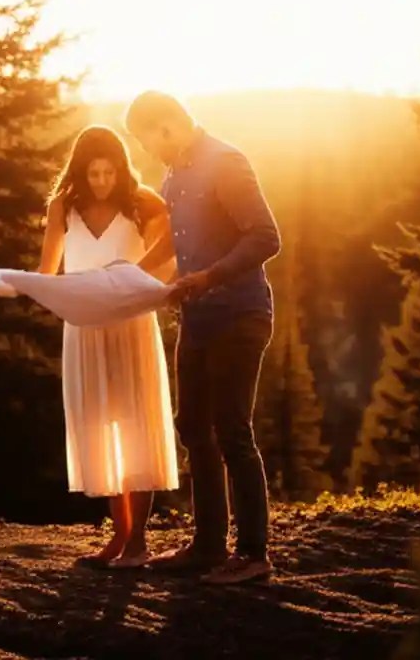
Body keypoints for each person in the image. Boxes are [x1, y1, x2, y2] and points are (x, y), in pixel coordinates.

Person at [127, 90, 281, 585]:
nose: (150, 152)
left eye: (148, 140)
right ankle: (209, 546)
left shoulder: (226, 163)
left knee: (233, 430)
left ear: (167, 126)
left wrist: (209, 277)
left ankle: (254, 555)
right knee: (192, 425)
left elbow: (265, 236)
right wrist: (130, 273)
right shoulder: (173, 176)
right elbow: (176, 239)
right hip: (197, 319)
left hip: (240, 316)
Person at [38, 125, 179, 568]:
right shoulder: (63, 207)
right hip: (85, 328)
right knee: (102, 427)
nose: (101, 181)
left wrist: (147, 290)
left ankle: (138, 541)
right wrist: (18, 285)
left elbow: (173, 253)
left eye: (109, 172)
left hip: (132, 324)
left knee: (138, 424)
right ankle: (118, 537)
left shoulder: (144, 203)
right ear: (80, 172)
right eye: (93, 173)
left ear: (121, 169)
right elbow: (47, 270)